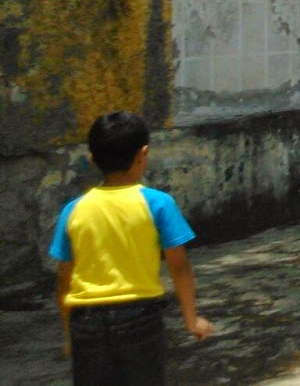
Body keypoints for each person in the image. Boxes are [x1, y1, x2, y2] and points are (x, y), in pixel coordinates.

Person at [50, 112, 213, 384]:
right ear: (143, 154)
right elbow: (179, 266)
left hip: (86, 322)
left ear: (92, 158)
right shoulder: (158, 204)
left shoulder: (73, 210)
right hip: (140, 318)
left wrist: (69, 335)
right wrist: (191, 319)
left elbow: (64, 277)